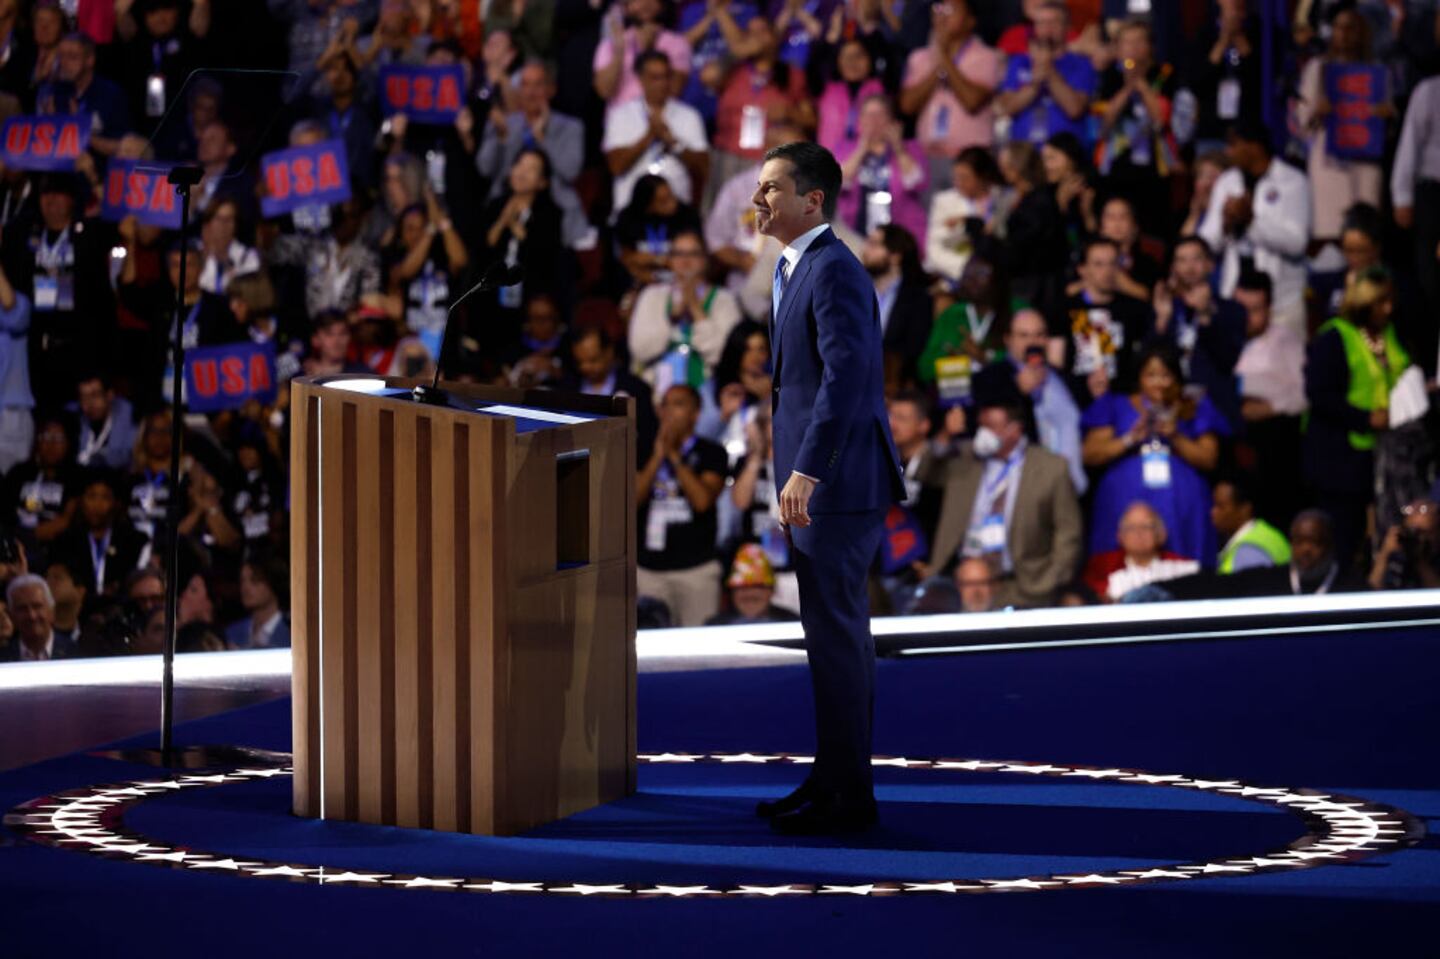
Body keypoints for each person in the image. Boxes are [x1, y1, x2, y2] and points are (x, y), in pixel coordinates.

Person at [751, 140, 904, 835]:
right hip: (819, 486)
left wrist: (807, 470)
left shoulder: (834, 269)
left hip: (836, 485)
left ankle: (850, 797)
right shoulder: (798, 266)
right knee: (828, 639)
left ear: (813, 199)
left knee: (839, 639)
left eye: (772, 188)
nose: (759, 200)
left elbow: (845, 379)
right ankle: (833, 777)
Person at [920, 371, 1082, 609]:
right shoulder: (965, 456)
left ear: (1015, 430)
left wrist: (1050, 579)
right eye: (981, 425)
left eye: (992, 427)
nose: (983, 433)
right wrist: (945, 434)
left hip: (1025, 586)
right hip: (962, 584)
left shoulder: (1051, 468)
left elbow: (1069, 531)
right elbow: (921, 472)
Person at [1303, 265, 1409, 573]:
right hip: (1339, 460)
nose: (1388, 309)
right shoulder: (1335, 336)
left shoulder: (1389, 333)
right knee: (1342, 537)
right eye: (1380, 302)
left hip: (1382, 456)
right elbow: (1319, 395)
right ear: (1363, 302)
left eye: (1390, 301)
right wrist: (1365, 418)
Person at [1082, 344, 1229, 565]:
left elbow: (1209, 458)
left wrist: (1176, 436)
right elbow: (1090, 454)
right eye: (1150, 375)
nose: (1158, 382)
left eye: (1165, 375)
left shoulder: (1192, 406)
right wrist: (1130, 438)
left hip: (1182, 502)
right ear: (1139, 377)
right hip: (1125, 497)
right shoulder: (1115, 404)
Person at [1198, 120, 1311, 339]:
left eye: (1233, 145)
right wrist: (1225, 223)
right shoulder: (1227, 181)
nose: (1227, 152)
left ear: (1253, 147)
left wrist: (1251, 222)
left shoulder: (1293, 181)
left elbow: (1297, 242)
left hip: (1281, 302)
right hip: (1236, 296)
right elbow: (1208, 240)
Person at [1296, 5, 1391, 245]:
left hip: (1365, 162)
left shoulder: (1378, 72)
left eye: (1351, 27)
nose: (1344, 33)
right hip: (1329, 164)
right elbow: (1302, 119)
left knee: (1365, 232)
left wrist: (1386, 115)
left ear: (1362, 33)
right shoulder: (1317, 68)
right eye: (1339, 27)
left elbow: (1389, 122)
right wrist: (1318, 111)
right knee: (1331, 233)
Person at [635, 384, 728, 627]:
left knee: (698, 649)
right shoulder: (642, 449)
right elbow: (632, 499)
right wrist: (658, 456)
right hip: (649, 570)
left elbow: (702, 501)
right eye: (665, 404)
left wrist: (674, 456)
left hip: (695, 570)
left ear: (696, 414)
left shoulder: (712, 452)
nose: (669, 411)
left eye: (678, 404)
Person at [477, 60, 592, 249]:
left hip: (555, 210)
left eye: (538, 85)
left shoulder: (571, 127)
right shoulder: (504, 124)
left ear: (551, 89)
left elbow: (571, 172)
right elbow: (485, 169)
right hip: (506, 208)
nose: (531, 93)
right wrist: (501, 138)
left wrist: (542, 139)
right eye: (525, 85)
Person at [898, 0, 1000, 194]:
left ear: (971, 21)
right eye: (939, 9)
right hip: (926, 158)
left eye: (952, 9)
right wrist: (938, 66)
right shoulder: (918, 57)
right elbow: (907, 106)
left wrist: (944, 55)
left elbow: (972, 101)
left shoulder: (986, 56)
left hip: (969, 163)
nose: (943, 14)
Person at [1232, 271, 1306, 528]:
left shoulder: (1285, 340)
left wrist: (1270, 407)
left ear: (1269, 308)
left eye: (1256, 309)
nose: (1248, 317)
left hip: (1275, 446)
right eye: (1241, 308)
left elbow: (1304, 394)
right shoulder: (1223, 338)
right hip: (1234, 442)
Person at [1148, 236, 1247, 427]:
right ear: (1173, 268)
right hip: (1170, 410)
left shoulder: (1232, 310)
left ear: (1210, 265)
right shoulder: (1165, 308)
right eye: (1182, 260)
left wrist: (1205, 316)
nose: (1189, 267)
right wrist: (1161, 320)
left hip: (1215, 411)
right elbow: (1149, 361)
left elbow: (1227, 360)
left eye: (1196, 259)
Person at [630, 230, 741, 398]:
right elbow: (640, 349)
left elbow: (727, 357)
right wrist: (671, 318)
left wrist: (696, 310)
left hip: (707, 392)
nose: (685, 261)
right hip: (656, 389)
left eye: (694, 254)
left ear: (705, 259)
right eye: (678, 254)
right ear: (670, 260)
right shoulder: (652, 295)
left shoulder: (724, 300)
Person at [987, 307, 1086, 494]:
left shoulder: (1064, 379)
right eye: (1024, 336)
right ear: (1008, 340)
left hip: (1070, 489)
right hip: (1021, 491)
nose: (1033, 342)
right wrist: (1019, 392)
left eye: (1040, 335)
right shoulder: (992, 377)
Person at [602, 50, 709, 215]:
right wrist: (650, 136)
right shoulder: (620, 115)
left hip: (676, 211)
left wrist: (674, 143)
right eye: (655, 77)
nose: (662, 83)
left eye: (666, 76)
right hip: (631, 211)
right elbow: (616, 166)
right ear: (641, 79)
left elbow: (703, 168)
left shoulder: (689, 116)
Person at [1060, 237, 1153, 406]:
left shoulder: (1135, 309)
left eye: (1112, 263)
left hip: (1123, 401)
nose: (1107, 271)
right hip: (1075, 401)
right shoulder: (1066, 307)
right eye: (1098, 264)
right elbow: (1056, 361)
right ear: (1082, 269)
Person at [992, 1, 1097, 149]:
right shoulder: (1019, 62)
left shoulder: (1081, 64)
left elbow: (1075, 109)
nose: (1048, 28)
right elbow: (1006, 108)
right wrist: (1033, 86)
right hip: (1024, 155)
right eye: (1041, 23)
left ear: (1067, 27)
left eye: (1054, 22)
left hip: (1066, 155)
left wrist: (1049, 72)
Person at [1390, 71, 1440, 368]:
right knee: (1431, 287)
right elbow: (1409, 144)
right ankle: (1429, 368)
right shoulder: (1430, 91)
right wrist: (1402, 196)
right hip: (1433, 194)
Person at [836, 94, 928, 241]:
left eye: (880, 115)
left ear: (891, 121)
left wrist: (899, 149)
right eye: (868, 115)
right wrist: (861, 150)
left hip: (900, 230)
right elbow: (838, 183)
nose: (874, 121)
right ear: (859, 121)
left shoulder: (910, 148)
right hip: (855, 228)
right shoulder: (845, 148)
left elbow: (917, 183)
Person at [49, 470, 147, 599]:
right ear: (81, 501)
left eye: (105, 497)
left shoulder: (133, 540)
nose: (97, 505)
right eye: (91, 496)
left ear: (116, 503)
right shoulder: (65, 541)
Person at [860, 224, 933, 392]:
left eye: (874, 244)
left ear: (896, 256)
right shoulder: (852, 292)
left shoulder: (918, 299)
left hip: (896, 387)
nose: (865, 250)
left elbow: (913, 350)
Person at [1081, 501, 1201, 601]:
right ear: (1119, 536)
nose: (1138, 533)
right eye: (1131, 528)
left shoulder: (1184, 569)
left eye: (1146, 527)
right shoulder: (1101, 570)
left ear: (1162, 534)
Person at [925, 145, 1002, 286]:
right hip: (955, 276)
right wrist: (971, 272)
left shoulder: (1002, 198)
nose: (958, 183)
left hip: (998, 275)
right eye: (956, 177)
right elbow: (934, 250)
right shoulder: (944, 201)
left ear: (983, 177)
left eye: (965, 178)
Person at [704, 543, 800, 625]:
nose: (749, 593)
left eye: (757, 586)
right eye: (742, 587)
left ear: (772, 590)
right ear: (732, 592)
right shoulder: (713, 627)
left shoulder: (794, 624)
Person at [1212, 477, 1291, 572]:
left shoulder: (1249, 552)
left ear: (1244, 510)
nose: (1213, 512)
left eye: (1220, 506)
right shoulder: (1269, 535)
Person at [0, 572, 77, 661]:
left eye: (37, 606)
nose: (32, 616)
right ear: (12, 615)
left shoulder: (77, 653)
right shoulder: (3, 658)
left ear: (51, 610)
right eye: (22, 609)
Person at [224, 555, 291, 650]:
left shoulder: (292, 633)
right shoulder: (232, 634)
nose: (245, 588)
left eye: (254, 580)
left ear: (273, 581)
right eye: (242, 581)